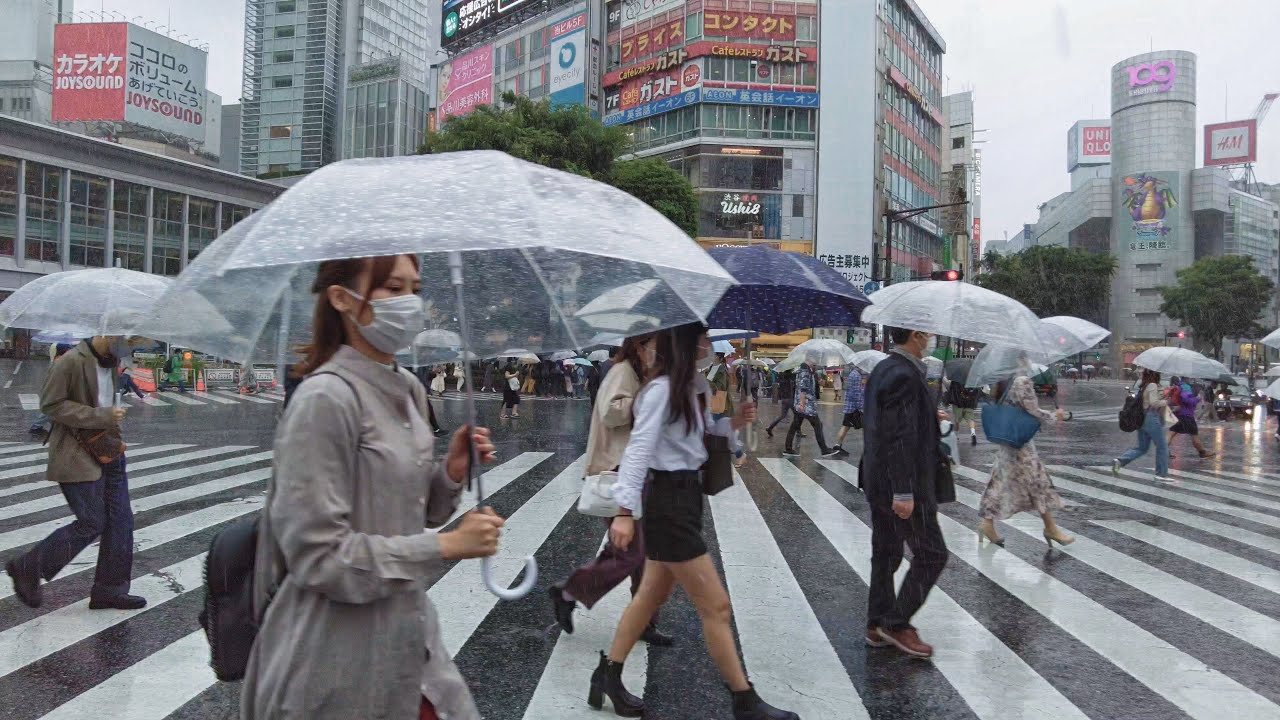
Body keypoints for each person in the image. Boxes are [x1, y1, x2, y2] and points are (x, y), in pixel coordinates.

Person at [241, 254, 504, 720]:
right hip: (334, 653)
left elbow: (413, 511)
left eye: (414, 288)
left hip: (407, 636)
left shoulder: (408, 387)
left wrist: (451, 471)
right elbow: (319, 557)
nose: (409, 304)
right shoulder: (325, 399)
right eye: (392, 289)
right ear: (342, 298)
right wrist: (444, 547)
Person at [591, 324, 795, 720]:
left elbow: (697, 438)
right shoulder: (660, 391)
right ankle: (744, 699)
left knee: (649, 596)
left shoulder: (693, 386)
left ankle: (608, 675)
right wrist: (623, 512)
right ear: (683, 343)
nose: (708, 344)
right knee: (716, 607)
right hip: (667, 505)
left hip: (687, 499)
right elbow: (638, 451)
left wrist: (733, 423)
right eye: (701, 337)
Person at [6, 336, 145, 611]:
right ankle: (28, 566)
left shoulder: (113, 363)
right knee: (92, 521)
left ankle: (110, 590)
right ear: (109, 334)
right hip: (77, 453)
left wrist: (115, 435)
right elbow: (52, 405)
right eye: (130, 341)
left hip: (110, 451)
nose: (132, 348)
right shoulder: (71, 362)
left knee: (121, 523)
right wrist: (103, 416)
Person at [549, 336, 671, 647]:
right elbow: (611, 412)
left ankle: (644, 620)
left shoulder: (642, 374)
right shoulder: (623, 372)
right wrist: (649, 397)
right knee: (630, 552)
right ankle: (569, 592)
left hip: (637, 471)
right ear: (639, 346)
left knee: (644, 553)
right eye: (655, 346)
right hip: (617, 471)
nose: (659, 352)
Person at [859, 326, 950, 659]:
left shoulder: (885, 368)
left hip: (878, 479)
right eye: (928, 332)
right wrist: (903, 492)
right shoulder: (905, 375)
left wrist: (929, 417)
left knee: (886, 553)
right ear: (916, 335)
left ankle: (877, 622)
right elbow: (900, 437)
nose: (931, 338)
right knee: (932, 554)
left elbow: (890, 425)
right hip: (905, 482)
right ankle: (897, 623)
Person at [976, 358, 1072, 549]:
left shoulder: (1002, 379)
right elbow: (1032, 411)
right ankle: (1050, 528)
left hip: (1008, 440)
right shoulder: (1022, 381)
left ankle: (987, 523)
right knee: (1037, 482)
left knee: (999, 481)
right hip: (1021, 443)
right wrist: (1056, 416)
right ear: (1020, 357)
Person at [1112, 369, 1170, 481]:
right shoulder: (1152, 385)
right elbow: (1154, 403)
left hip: (1142, 419)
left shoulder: (1144, 385)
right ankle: (1161, 474)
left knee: (1142, 448)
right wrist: (1168, 402)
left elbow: (1148, 401)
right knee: (1162, 446)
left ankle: (1120, 461)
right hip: (1151, 418)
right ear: (1155, 375)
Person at [784, 355, 838, 458]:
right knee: (817, 425)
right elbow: (803, 388)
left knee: (795, 426)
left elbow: (807, 385)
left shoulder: (808, 370)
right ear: (809, 359)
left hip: (804, 404)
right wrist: (802, 403)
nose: (816, 361)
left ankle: (788, 448)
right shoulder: (805, 370)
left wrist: (819, 381)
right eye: (815, 359)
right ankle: (824, 450)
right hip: (807, 405)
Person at [29, 343, 75, 436]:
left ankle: (42, 426)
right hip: (56, 392)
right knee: (51, 410)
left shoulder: (60, 361)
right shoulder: (58, 362)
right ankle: (36, 426)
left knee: (53, 411)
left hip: (57, 392)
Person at [1167, 376, 1214, 459]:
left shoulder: (1179, 386)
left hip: (1179, 414)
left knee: (1172, 432)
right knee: (1194, 434)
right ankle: (1202, 452)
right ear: (1187, 377)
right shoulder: (1185, 386)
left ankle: (1163, 451)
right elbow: (1186, 400)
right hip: (1187, 415)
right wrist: (1197, 399)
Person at [831, 364, 864, 459]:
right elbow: (857, 393)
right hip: (854, 408)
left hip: (850, 407)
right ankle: (871, 448)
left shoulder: (853, 374)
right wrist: (861, 407)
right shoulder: (856, 375)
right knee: (867, 426)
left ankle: (837, 446)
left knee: (845, 426)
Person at [944, 375, 982, 446]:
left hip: (958, 402)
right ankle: (973, 433)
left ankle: (956, 436)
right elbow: (978, 391)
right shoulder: (975, 378)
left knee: (957, 420)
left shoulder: (956, 378)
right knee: (970, 419)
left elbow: (949, 387)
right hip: (970, 402)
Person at [765, 368, 802, 439]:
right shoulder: (791, 378)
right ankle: (798, 431)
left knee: (782, 416)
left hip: (784, 399)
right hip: (790, 399)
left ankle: (770, 427)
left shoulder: (781, 377)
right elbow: (794, 388)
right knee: (798, 415)